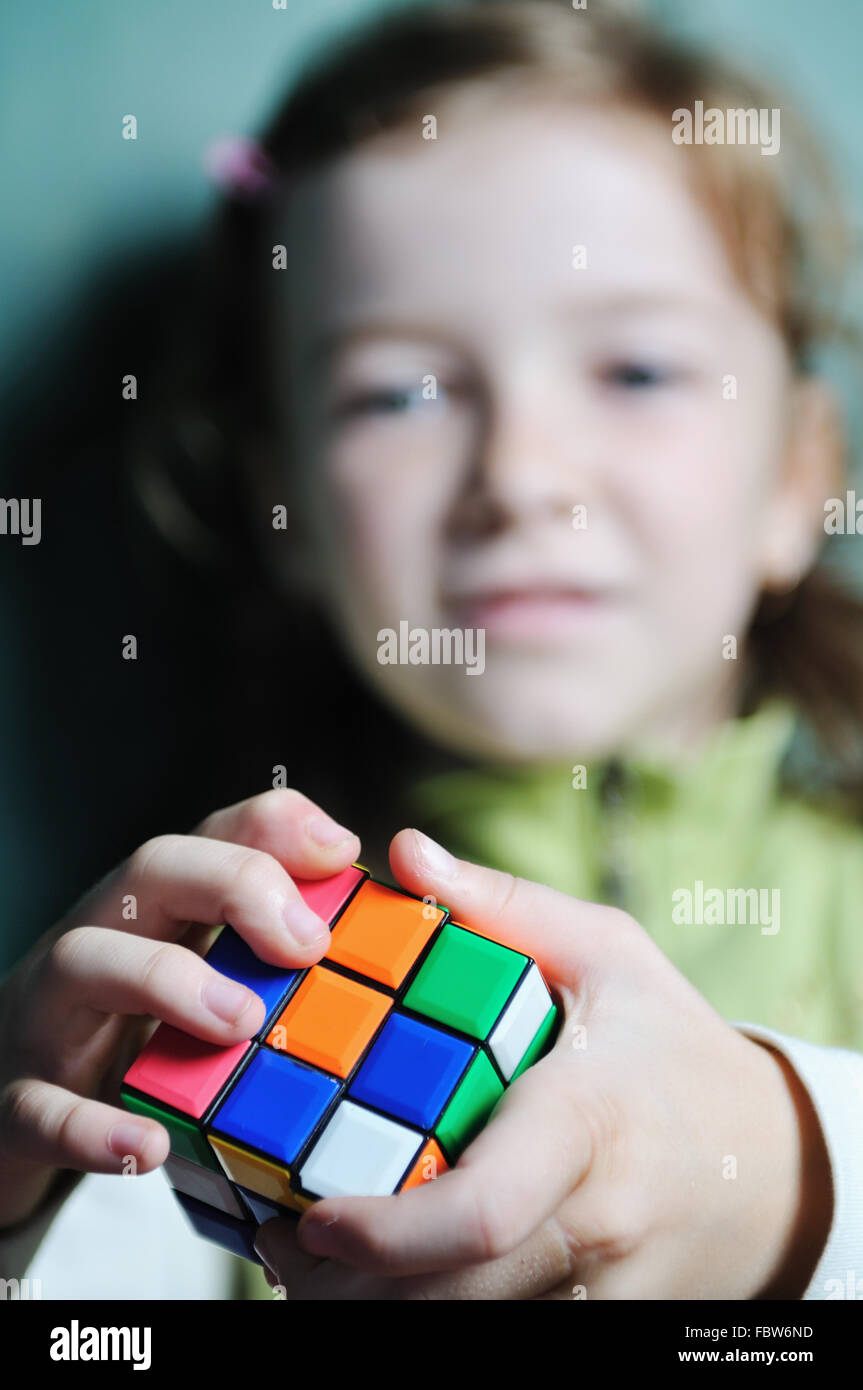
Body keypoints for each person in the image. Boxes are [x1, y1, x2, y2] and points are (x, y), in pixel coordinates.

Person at [2, 0, 863, 1300]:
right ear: (278, 505)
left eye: (634, 369)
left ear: (801, 477)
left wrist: (797, 1188)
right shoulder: (204, 976)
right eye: (400, 391)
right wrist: (22, 1226)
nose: (520, 475)